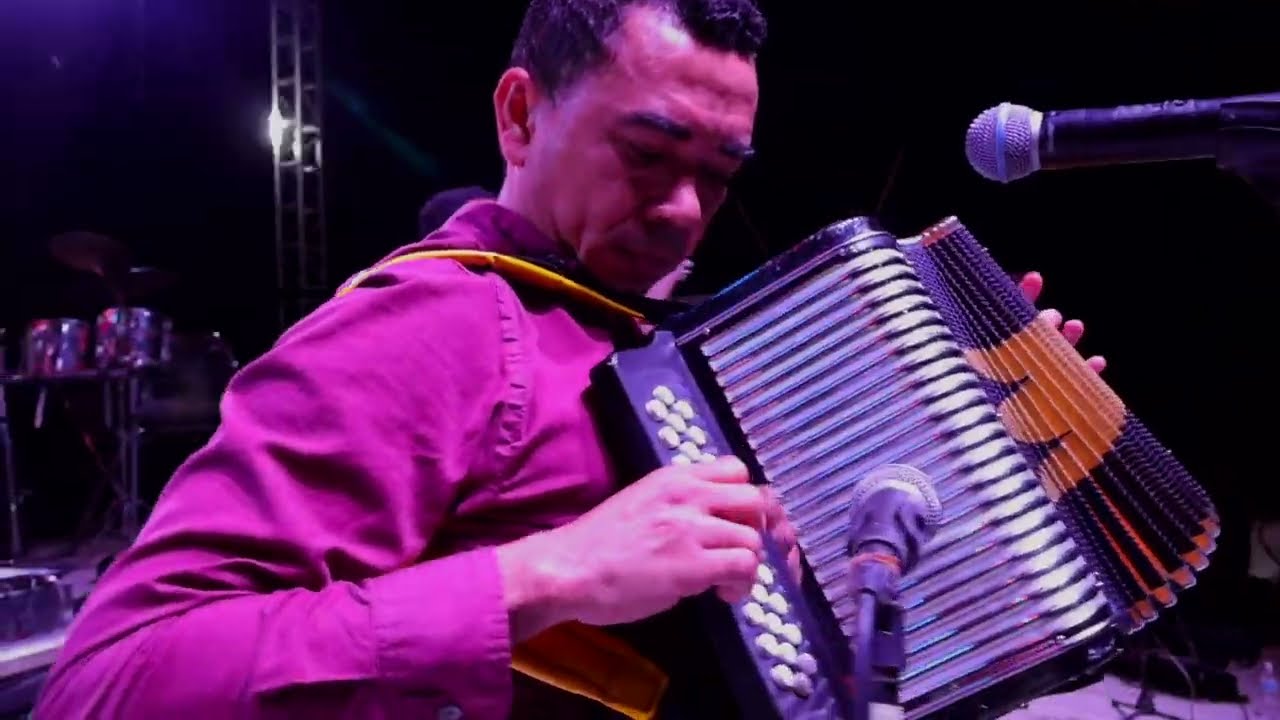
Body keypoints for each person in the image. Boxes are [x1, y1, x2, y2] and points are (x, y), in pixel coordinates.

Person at [33, 2, 1103, 719]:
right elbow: (106, 681)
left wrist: (978, 461)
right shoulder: (425, 328)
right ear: (518, 113)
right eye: (645, 156)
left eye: (720, 174)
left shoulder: (666, 343)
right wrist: (544, 574)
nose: (686, 212)